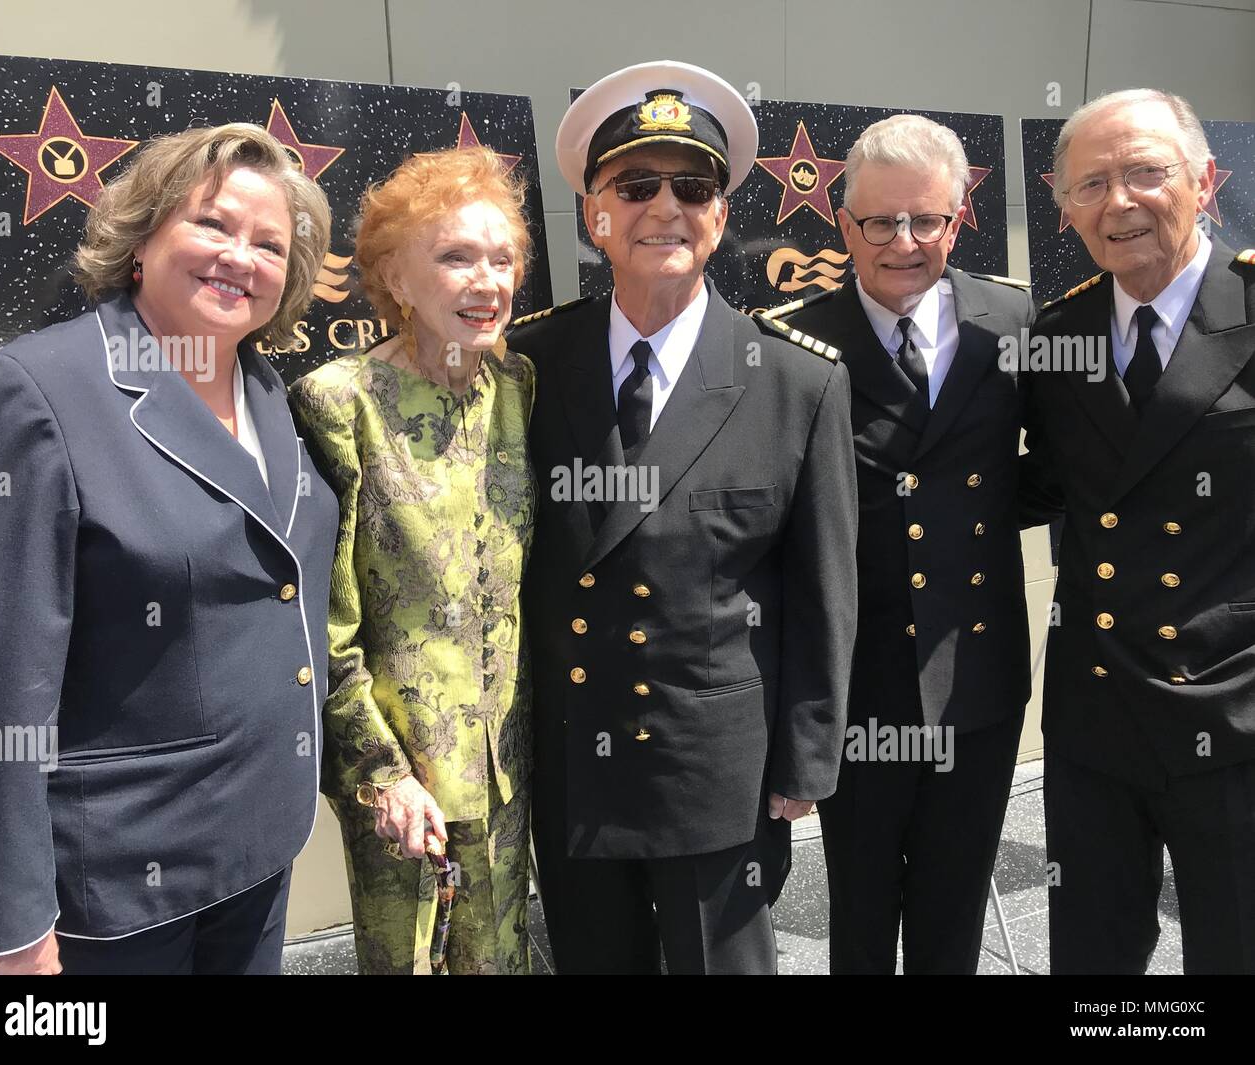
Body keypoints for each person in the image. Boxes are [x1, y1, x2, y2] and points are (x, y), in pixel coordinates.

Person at [0, 123, 337, 974]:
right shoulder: (36, 395)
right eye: (212, 225)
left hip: (257, 853)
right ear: (141, 238)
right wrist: (12, 936)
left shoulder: (269, 394)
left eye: (269, 244)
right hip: (116, 895)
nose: (240, 256)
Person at [508, 60, 859, 975]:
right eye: (636, 185)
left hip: (715, 770)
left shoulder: (797, 381)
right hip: (576, 760)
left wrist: (805, 761)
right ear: (594, 214)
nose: (665, 206)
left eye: (692, 187)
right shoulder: (530, 366)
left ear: (718, 216)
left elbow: (825, 591)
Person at [767, 114, 1044, 973]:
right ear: (844, 225)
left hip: (978, 678)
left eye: (927, 220)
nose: (904, 242)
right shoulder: (787, 338)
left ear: (958, 221)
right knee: (860, 905)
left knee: (953, 904)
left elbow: (1059, 463)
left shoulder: (1015, 316)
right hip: (860, 688)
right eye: (880, 222)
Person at [289, 147, 535, 975]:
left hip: (512, 765)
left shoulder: (520, 390)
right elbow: (322, 623)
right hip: (404, 781)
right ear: (394, 275)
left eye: (502, 258)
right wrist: (380, 774)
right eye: (456, 257)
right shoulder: (339, 401)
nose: (486, 281)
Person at [1026, 88, 1255, 974]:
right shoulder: (1059, 335)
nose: (1118, 203)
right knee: (1094, 960)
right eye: (1090, 185)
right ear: (1065, 210)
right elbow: (1038, 485)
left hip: (1234, 715)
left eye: (1145, 173)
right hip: (1095, 720)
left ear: (1202, 180)